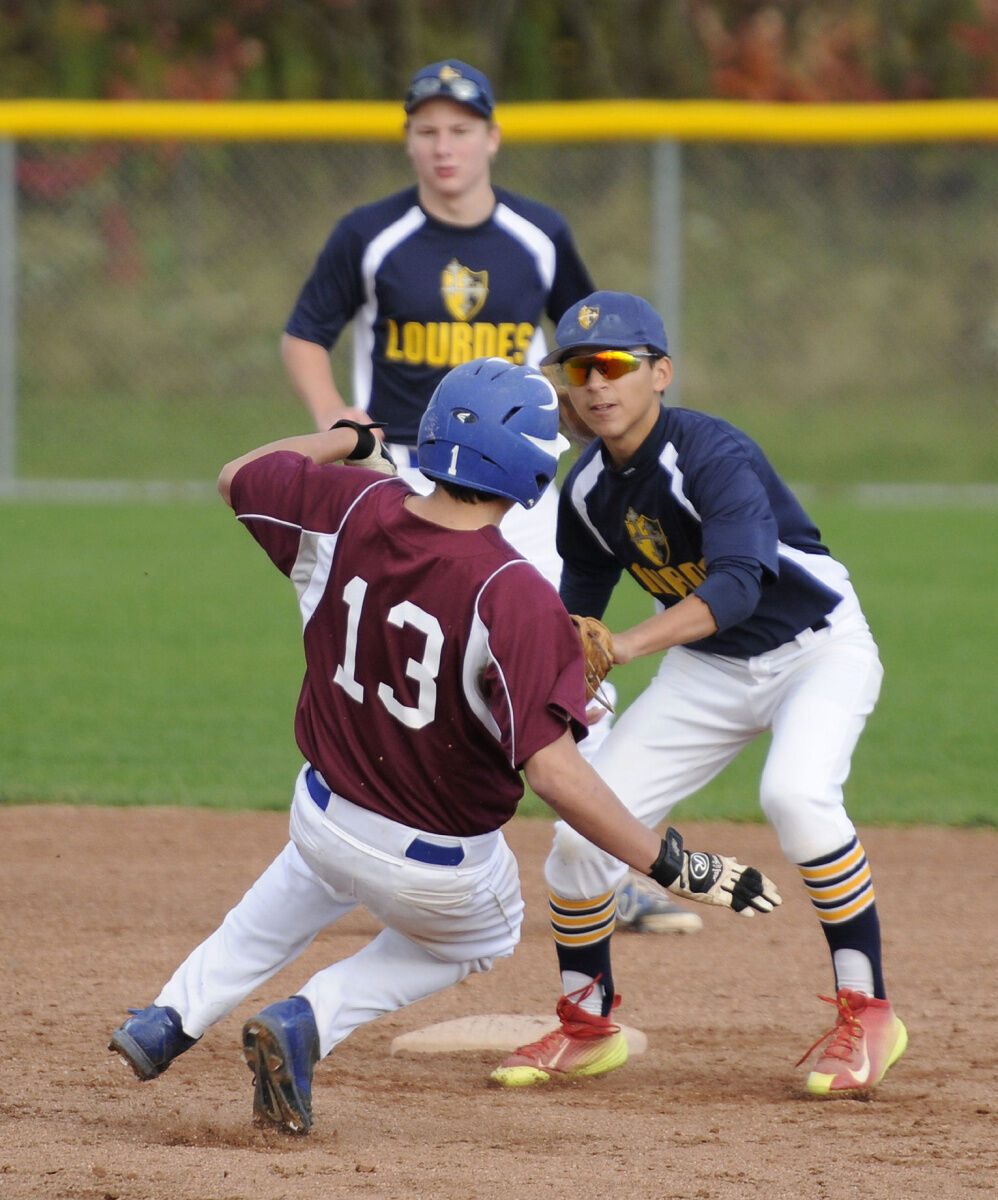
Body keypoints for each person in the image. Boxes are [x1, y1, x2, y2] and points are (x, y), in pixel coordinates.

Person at [107, 358, 780, 1134]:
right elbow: (555, 774)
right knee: (483, 937)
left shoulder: (350, 502)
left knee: (297, 883)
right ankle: (310, 1018)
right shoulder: (515, 593)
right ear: (528, 472)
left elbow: (238, 477)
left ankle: (169, 1017)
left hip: (321, 811)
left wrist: (345, 439)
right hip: (437, 864)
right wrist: (672, 863)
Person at [282, 56, 696, 934]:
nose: (444, 147)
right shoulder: (370, 235)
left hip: (518, 489)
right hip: (404, 478)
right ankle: (375, 849)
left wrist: (601, 421)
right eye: (427, 131)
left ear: (491, 139)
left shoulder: (537, 234)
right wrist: (335, 421)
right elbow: (305, 335)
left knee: (566, 665)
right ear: (409, 141)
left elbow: (594, 337)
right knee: (385, 662)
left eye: (460, 130)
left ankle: (598, 864)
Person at [491, 292, 908, 1097]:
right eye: (579, 369)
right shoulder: (584, 492)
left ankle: (870, 1011)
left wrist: (626, 646)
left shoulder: (712, 453)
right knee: (581, 838)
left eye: (615, 364)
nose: (596, 383)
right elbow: (580, 614)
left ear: (661, 372)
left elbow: (742, 584)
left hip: (816, 651)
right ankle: (588, 1023)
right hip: (708, 669)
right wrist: (554, 682)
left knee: (796, 795)